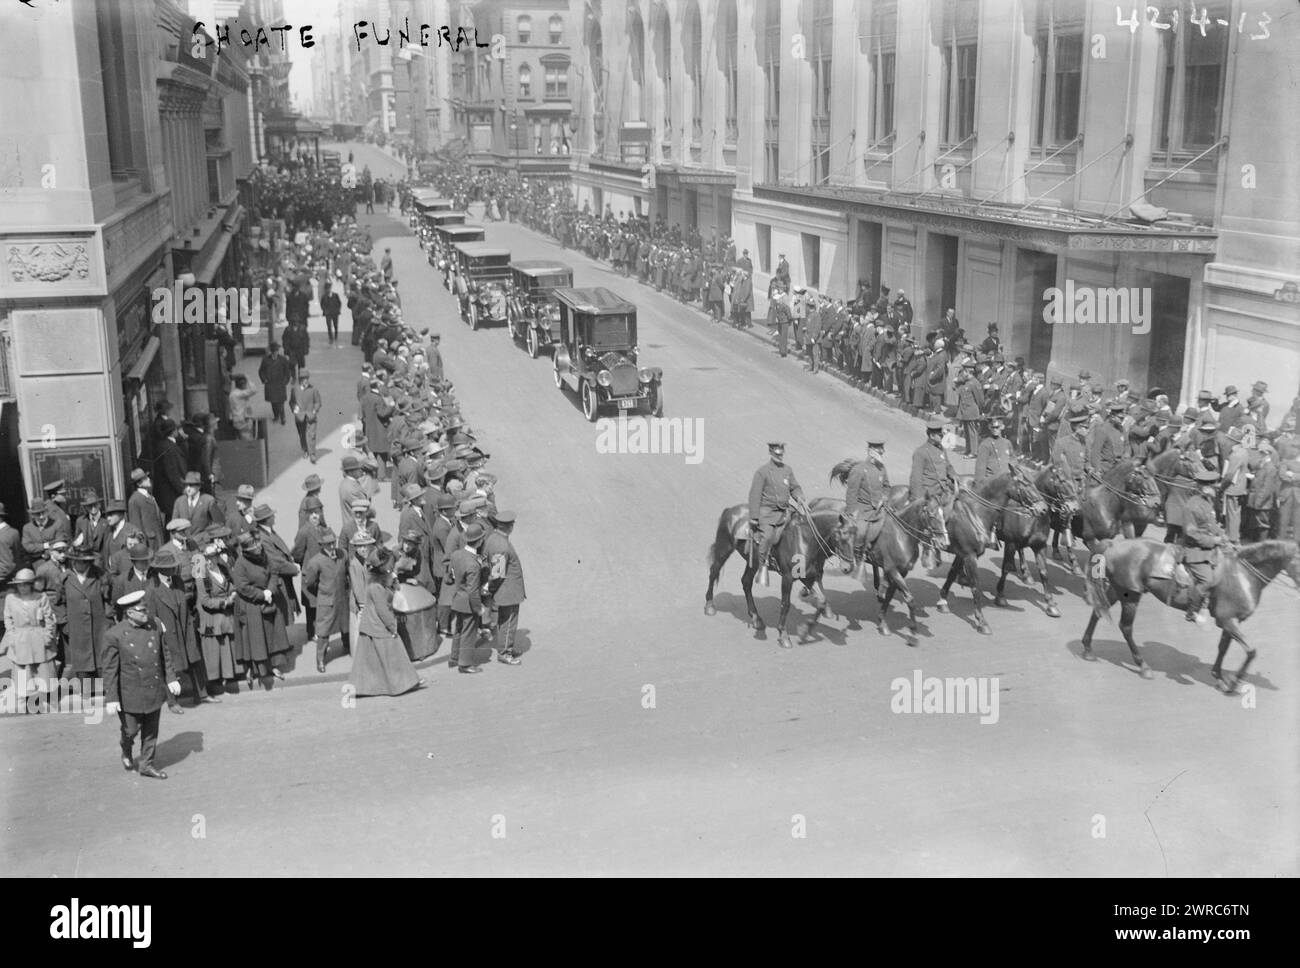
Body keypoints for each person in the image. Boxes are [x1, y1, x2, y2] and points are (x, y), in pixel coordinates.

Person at [102, 590, 180, 779]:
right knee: (131, 730)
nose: (146, 613)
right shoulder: (114, 635)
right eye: (142, 610)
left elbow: (165, 654)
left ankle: (146, 764)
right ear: (130, 613)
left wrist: (171, 678)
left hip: (153, 687)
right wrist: (111, 697)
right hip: (130, 692)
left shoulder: (154, 626)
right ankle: (126, 748)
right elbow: (110, 669)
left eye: (146, 608)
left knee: (151, 731)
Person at [351, 546, 423, 695]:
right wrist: (392, 626)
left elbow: (392, 593)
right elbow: (383, 610)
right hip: (378, 627)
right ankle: (403, 683)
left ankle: (365, 688)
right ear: (382, 569)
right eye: (389, 565)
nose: (392, 567)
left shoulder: (379, 583)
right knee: (393, 655)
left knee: (370, 662)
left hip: (371, 626)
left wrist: (394, 583)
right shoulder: (376, 587)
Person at [748, 442, 806, 587]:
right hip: (768, 512)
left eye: (781, 454)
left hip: (786, 510)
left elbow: (795, 487)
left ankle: (801, 566)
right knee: (767, 536)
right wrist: (755, 517)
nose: (779, 456)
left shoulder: (787, 470)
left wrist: (799, 496)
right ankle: (762, 566)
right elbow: (754, 495)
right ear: (771, 453)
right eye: (776, 453)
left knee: (802, 528)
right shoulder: (763, 472)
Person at [1, 569, 57, 706]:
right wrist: (12, 637)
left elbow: (49, 619)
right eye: (19, 585)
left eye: (25, 584)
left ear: (31, 584)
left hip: (38, 636)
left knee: (43, 668)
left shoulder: (41, 597)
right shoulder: (11, 599)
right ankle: (26, 699)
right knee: (23, 669)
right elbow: (8, 619)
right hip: (20, 638)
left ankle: (44, 697)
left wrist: (47, 636)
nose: (22, 587)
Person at [1180, 468, 1228, 625]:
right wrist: (1214, 540)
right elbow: (1191, 534)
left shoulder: (1207, 501)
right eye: (1214, 486)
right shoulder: (1191, 506)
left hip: (1210, 549)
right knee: (1207, 580)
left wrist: (1222, 535)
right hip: (1195, 552)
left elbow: (1211, 524)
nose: (1216, 489)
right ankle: (1192, 612)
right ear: (1205, 487)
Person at [194, 533, 240, 696]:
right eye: (208, 557)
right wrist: (225, 602)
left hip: (225, 617)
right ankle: (216, 682)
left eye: (214, 556)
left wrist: (233, 593)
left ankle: (228, 678)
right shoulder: (201, 574)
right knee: (214, 652)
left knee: (227, 649)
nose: (211, 560)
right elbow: (205, 600)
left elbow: (231, 584)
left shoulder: (222, 568)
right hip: (212, 618)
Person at [482, 510, 525, 665]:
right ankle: (505, 652)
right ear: (510, 526)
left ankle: (506, 646)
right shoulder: (501, 544)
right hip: (507, 591)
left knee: (504, 621)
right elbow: (498, 573)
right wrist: (491, 588)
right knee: (509, 622)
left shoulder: (493, 538)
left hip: (505, 589)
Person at [446, 521, 489, 673]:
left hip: (458, 599)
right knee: (469, 633)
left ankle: (454, 658)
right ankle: (465, 664)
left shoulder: (456, 555)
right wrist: (479, 609)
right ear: (479, 541)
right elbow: (473, 591)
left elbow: (449, 575)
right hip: (469, 603)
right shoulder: (473, 564)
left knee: (458, 630)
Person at [302, 529, 346, 673]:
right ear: (322, 545)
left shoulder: (342, 555)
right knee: (323, 630)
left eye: (333, 542)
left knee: (345, 624)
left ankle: (347, 645)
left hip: (342, 598)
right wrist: (323, 593)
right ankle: (320, 659)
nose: (332, 546)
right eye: (328, 544)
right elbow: (310, 583)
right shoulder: (315, 562)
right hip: (326, 601)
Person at [844, 440, 890, 548]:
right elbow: (851, 493)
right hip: (862, 509)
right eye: (879, 449)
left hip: (880, 509)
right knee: (859, 534)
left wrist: (884, 497)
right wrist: (852, 512)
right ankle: (857, 558)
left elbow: (887, 487)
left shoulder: (882, 468)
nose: (883, 451)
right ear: (871, 451)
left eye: (882, 448)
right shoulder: (859, 469)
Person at [127, 468, 166, 549]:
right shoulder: (134, 500)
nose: (148, 479)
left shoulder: (150, 497)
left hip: (158, 540)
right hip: (149, 544)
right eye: (145, 479)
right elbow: (136, 527)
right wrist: (142, 547)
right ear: (139, 483)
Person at [290, 369, 322, 462]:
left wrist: (315, 410)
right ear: (300, 380)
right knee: (302, 435)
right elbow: (291, 402)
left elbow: (318, 402)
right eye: (303, 379)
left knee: (312, 435)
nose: (306, 380)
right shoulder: (295, 390)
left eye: (307, 378)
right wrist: (294, 408)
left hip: (311, 416)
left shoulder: (313, 389)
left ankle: (312, 454)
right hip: (300, 417)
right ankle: (305, 450)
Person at [258, 342, 294, 424]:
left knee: (280, 402)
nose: (275, 353)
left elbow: (287, 372)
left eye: (276, 351)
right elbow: (261, 371)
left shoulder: (283, 360)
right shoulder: (265, 360)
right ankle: (276, 415)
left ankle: (283, 417)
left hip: (280, 384)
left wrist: (285, 381)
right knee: (273, 402)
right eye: (274, 351)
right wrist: (264, 380)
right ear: (271, 352)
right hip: (270, 384)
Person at [973, 418, 1014, 485]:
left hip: (1006, 480)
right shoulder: (985, 444)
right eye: (993, 427)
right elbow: (980, 466)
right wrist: (978, 483)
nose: (995, 430)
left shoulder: (1007, 443)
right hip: (992, 481)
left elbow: (1013, 460)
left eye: (997, 427)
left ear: (1002, 427)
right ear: (989, 427)